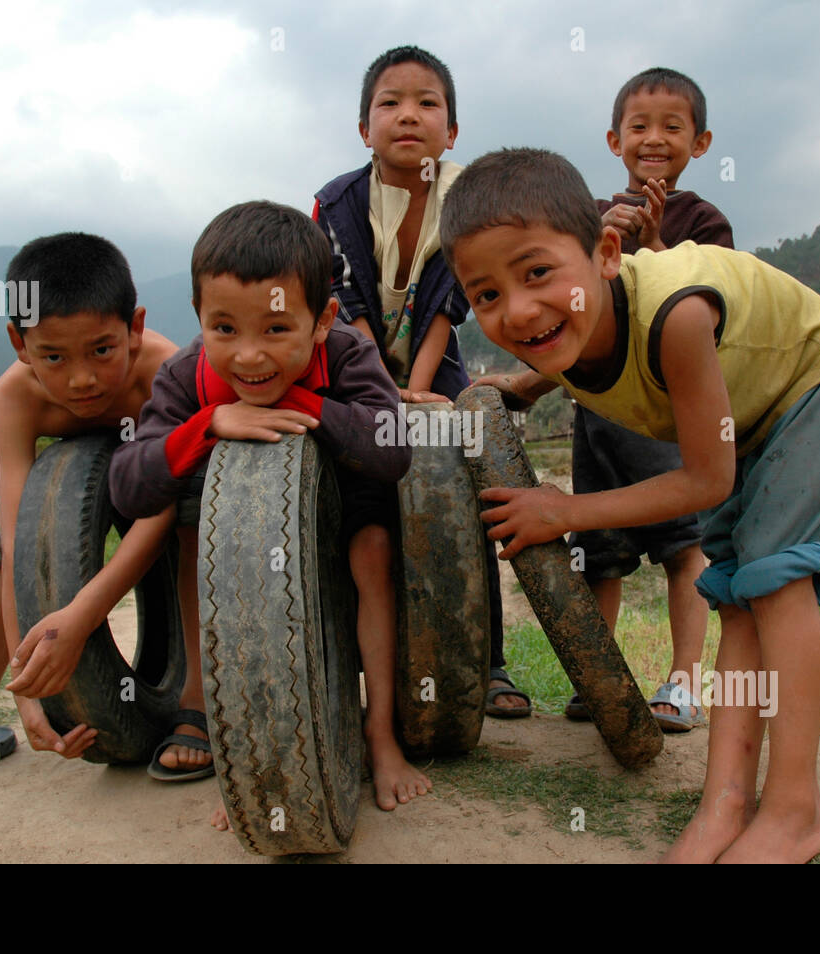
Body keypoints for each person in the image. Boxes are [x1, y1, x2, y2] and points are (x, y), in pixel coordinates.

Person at [442, 148, 820, 863]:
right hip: (753, 408)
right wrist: (524, 384)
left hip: (815, 376)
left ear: (607, 253)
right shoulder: (562, 335)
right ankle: (727, 800)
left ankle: (797, 805)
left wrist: (564, 511)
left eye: (538, 273)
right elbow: (582, 340)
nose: (517, 309)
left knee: (776, 575)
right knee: (738, 592)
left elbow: (705, 481)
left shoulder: (678, 316)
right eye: (486, 295)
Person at [109, 200, 432, 815]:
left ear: (321, 319)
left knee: (372, 552)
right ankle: (241, 744)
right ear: (200, 317)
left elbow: (391, 448)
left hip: (343, 502)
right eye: (224, 329)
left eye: (276, 330)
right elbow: (128, 485)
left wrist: (314, 407)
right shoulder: (185, 377)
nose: (250, 357)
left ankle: (381, 734)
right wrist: (207, 422)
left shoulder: (342, 353)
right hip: (243, 526)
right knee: (193, 537)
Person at [0, 233, 195, 791]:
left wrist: (83, 615)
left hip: (158, 499)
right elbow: (18, 540)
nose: (81, 379)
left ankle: (196, 701)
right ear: (19, 342)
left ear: (135, 326)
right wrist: (28, 694)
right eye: (52, 357)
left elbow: (160, 507)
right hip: (67, 503)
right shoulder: (15, 399)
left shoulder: (164, 372)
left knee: (194, 523)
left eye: (102, 350)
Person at [483, 67, 732, 729]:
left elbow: (697, 305)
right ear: (614, 138)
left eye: (671, 127)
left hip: (666, 415)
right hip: (597, 417)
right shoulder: (590, 221)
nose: (654, 139)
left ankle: (682, 682)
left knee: (685, 549)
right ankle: (600, 677)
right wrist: (525, 386)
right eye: (639, 127)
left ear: (700, 142)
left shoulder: (704, 220)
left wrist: (652, 243)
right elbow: (572, 322)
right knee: (600, 554)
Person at [312, 45, 527, 717]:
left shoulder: (469, 195)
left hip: (435, 355)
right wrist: (382, 386)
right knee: (355, 486)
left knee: (470, 483)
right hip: (353, 354)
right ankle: (344, 663)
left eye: (427, 103)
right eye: (390, 103)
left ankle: (486, 662)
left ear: (452, 131)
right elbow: (338, 304)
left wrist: (421, 384)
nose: (409, 115)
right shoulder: (336, 202)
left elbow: (451, 299)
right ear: (363, 127)